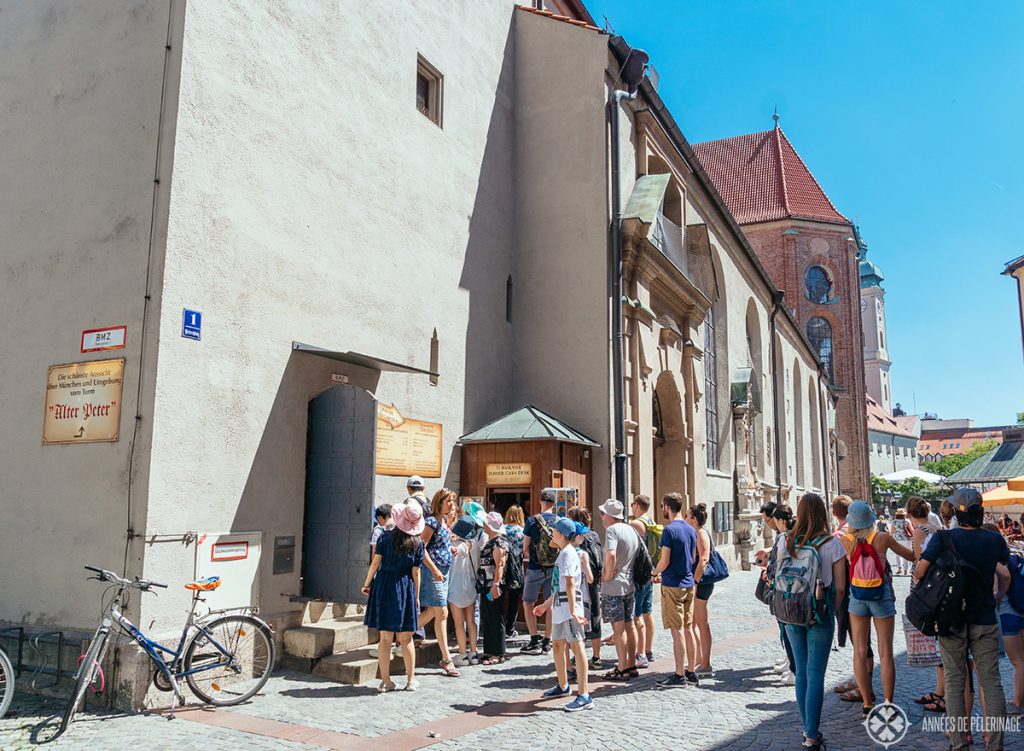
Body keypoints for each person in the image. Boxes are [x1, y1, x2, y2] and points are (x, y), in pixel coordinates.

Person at [917, 488, 1010, 751]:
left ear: (957, 512)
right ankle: (995, 744)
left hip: (952, 620)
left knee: (955, 682)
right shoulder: (994, 540)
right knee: (991, 682)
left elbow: (920, 572)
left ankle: (959, 742)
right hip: (985, 618)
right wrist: (998, 597)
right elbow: (1004, 575)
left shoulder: (944, 539)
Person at [782, 493, 847, 751]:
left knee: (801, 671)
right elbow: (840, 588)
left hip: (791, 610)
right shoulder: (833, 545)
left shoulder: (785, 540)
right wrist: (832, 610)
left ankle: (806, 727)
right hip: (820, 611)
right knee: (815, 673)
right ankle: (811, 733)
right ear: (823, 513)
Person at [839, 500, 914, 713]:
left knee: (860, 651)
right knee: (886, 652)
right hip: (881, 595)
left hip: (857, 596)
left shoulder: (846, 540)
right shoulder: (882, 538)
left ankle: (866, 702)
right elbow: (911, 556)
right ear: (871, 519)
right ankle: (888, 702)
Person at [362, 502, 425, 692]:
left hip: (384, 585)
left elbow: (375, 563)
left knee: (385, 638)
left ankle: (385, 681)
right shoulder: (417, 543)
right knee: (406, 638)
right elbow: (416, 573)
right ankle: (411, 679)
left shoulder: (384, 537)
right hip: (404, 586)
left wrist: (366, 584)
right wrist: (416, 596)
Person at [533, 517, 594, 711]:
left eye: (553, 531)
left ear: (559, 534)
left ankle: (584, 695)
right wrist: (546, 605)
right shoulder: (564, 553)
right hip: (561, 607)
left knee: (577, 646)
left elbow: (569, 584)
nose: (551, 533)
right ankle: (562, 685)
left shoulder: (568, 554)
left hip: (568, 608)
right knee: (558, 645)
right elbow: (559, 587)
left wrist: (573, 612)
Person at [653, 492, 699, 688]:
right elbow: (693, 557)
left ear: (666, 507)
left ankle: (679, 675)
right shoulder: (690, 529)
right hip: (689, 584)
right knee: (688, 629)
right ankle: (691, 671)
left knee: (677, 630)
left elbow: (665, 560)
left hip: (673, 585)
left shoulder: (669, 531)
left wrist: (654, 572)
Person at [417, 488, 459, 676]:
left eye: (452, 501)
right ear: (439, 502)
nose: (451, 504)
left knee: (435, 611)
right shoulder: (432, 521)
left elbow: (438, 544)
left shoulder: (443, 521)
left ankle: (403, 632)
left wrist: (450, 548)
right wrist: (433, 569)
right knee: (442, 611)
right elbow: (421, 546)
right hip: (433, 572)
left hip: (444, 571)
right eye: (448, 501)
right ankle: (446, 658)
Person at [598, 498, 640, 681]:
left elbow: (611, 553)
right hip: (629, 583)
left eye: (603, 513)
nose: (601, 517)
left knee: (618, 628)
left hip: (614, 585)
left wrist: (607, 574)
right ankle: (631, 664)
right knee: (630, 625)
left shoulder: (612, 530)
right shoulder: (630, 529)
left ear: (609, 516)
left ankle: (621, 667)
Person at [521, 490, 559, 655]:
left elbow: (525, 548)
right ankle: (547, 641)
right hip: (553, 568)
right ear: (554, 504)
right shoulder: (559, 521)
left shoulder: (532, 521)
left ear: (540, 501)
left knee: (528, 602)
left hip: (535, 567)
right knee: (549, 603)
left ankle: (534, 639)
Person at [568, 506, 604, 669]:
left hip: (579, 583)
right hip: (594, 582)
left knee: (577, 618)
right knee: (595, 616)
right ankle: (596, 657)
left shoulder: (575, 537)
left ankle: (577, 656)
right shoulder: (594, 534)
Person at [477, 511, 512, 665]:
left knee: (496, 617)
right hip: (487, 585)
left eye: (485, 522)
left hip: (494, 585)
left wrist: (496, 585)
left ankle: (498, 653)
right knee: (489, 617)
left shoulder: (499, 542)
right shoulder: (492, 540)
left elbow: (500, 565)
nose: (483, 524)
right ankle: (489, 650)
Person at [628, 494, 657, 667]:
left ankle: (640, 654)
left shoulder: (635, 524)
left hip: (638, 574)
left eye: (633, 504)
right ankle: (649, 649)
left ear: (637, 505)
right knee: (648, 613)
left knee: (636, 615)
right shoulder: (651, 523)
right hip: (650, 573)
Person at [448, 516, 480, 667]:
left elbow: (456, 551)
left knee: (459, 624)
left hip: (455, 588)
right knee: (471, 622)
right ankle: (473, 653)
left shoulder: (454, 545)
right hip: (470, 586)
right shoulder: (474, 545)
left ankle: (462, 654)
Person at [687, 502, 713, 677]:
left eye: (689, 516)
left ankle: (706, 664)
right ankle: (698, 658)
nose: (686, 518)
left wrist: (694, 582)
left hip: (702, 583)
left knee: (702, 624)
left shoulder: (701, 533)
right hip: (698, 581)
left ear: (694, 519)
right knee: (694, 622)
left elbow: (703, 559)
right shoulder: (696, 532)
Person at [997, 552, 1024, 715]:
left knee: (1017, 661)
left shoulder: (998, 563)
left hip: (1008, 614)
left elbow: (1004, 579)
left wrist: (999, 596)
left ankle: (1017, 702)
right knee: (1021, 659)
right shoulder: (1013, 559)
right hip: (1021, 610)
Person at [503, 505, 526, 640]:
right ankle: (510, 628)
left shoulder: (502, 530)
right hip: (516, 568)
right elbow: (524, 550)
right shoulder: (521, 532)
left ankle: (500, 625)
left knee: (500, 598)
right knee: (514, 599)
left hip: (503, 567)